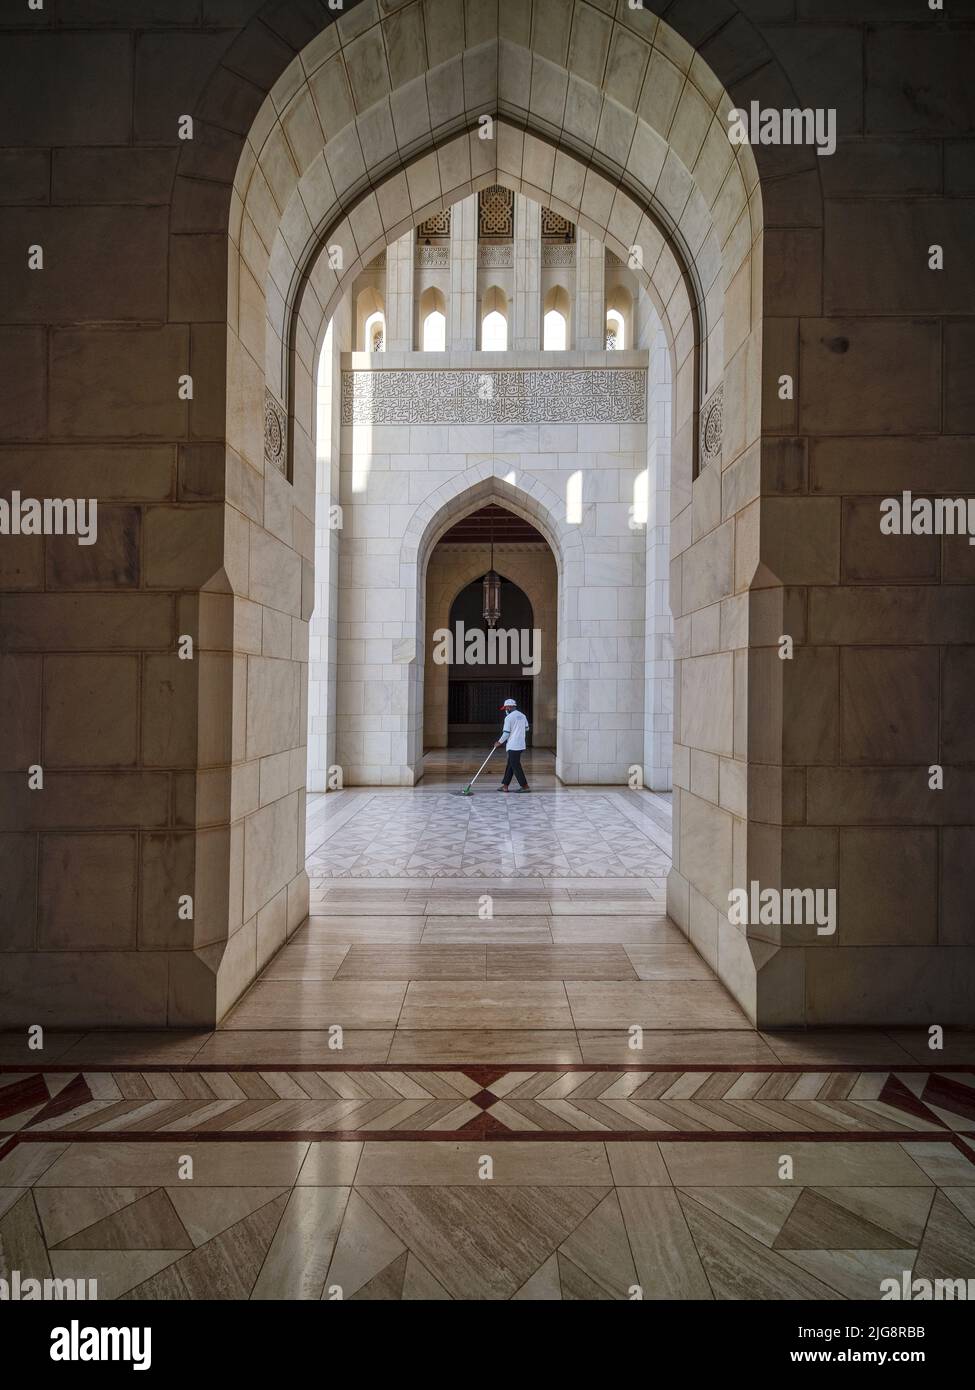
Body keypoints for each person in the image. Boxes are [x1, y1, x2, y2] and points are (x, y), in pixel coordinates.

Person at [495, 697, 531, 792]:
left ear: (509, 707)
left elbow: (506, 733)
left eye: (505, 708)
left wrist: (499, 742)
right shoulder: (523, 716)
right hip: (521, 744)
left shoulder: (508, 718)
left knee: (515, 765)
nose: (505, 710)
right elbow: (527, 728)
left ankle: (525, 786)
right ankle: (505, 786)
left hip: (513, 745)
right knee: (510, 764)